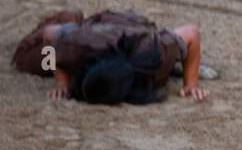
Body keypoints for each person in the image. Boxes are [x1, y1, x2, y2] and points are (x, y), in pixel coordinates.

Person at [12, 10, 208, 103]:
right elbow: (49, 34)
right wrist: (61, 81)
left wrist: (190, 83)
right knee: (33, 61)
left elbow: (191, 34)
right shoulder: (76, 47)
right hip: (94, 28)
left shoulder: (155, 53)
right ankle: (71, 17)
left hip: (135, 26)